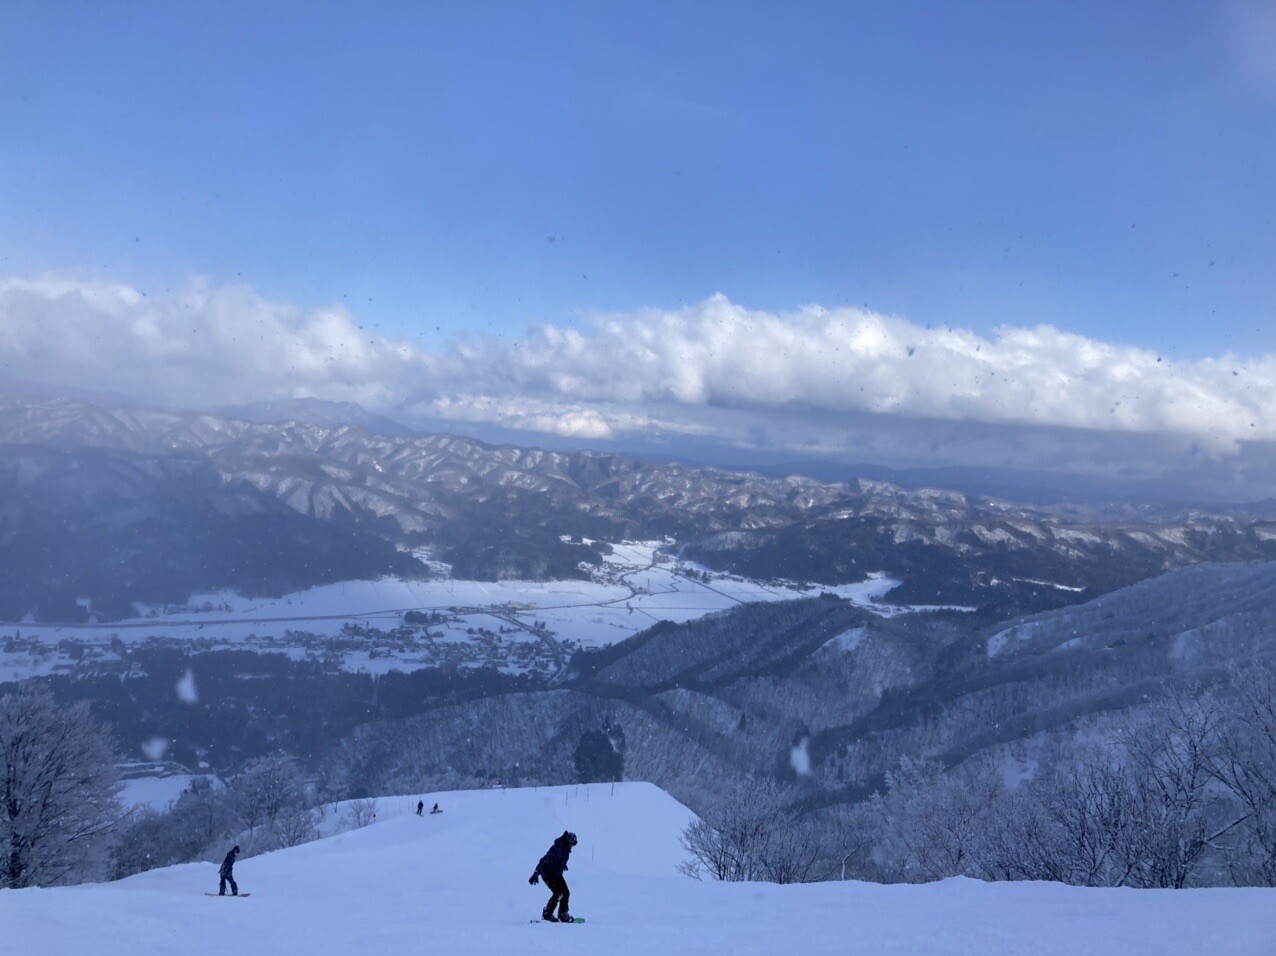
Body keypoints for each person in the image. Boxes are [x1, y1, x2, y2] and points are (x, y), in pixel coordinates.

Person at [528, 830, 577, 922]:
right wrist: (535, 874)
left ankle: (562, 914)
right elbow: (544, 860)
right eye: (571, 844)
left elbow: (559, 861)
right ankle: (547, 915)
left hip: (556, 874)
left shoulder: (566, 850)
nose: (572, 846)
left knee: (565, 892)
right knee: (558, 893)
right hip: (547, 873)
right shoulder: (557, 848)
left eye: (573, 844)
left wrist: (563, 866)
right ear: (567, 841)